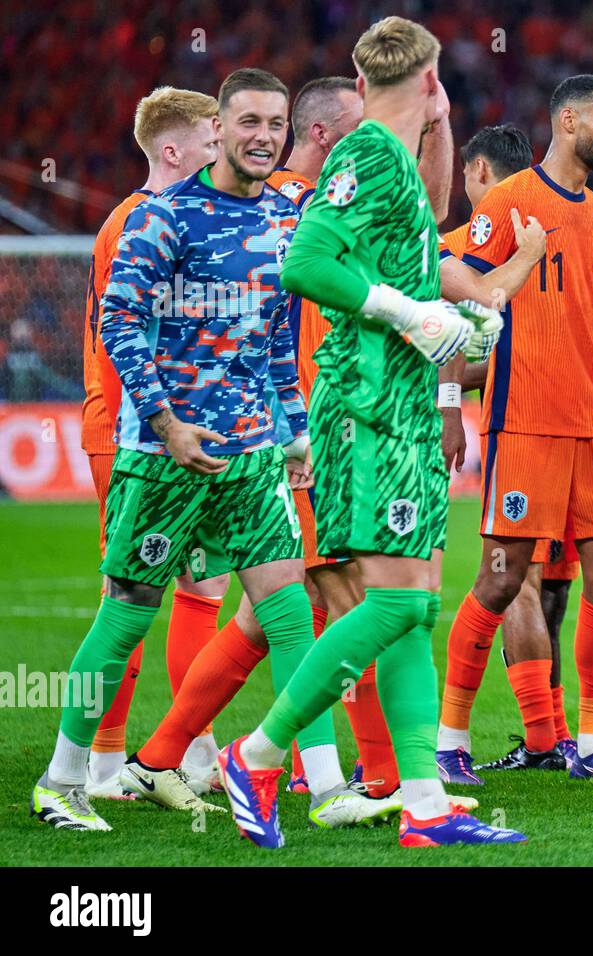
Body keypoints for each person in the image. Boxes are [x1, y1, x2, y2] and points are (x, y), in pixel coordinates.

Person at [221, 18, 532, 850]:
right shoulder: (365, 155)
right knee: (397, 600)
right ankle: (255, 754)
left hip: (398, 402)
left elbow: (409, 263)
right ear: (433, 84)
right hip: (365, 408)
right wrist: (407, 313)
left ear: (363, 85)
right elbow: (308, 262)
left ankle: (425, 804)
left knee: (416, 609)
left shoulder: (391, 161)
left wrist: (459, 321)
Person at [119, 77, 415, 829]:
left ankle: (162, 756)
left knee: (282, 612)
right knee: (344, 597)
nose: (373, 146)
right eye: (357, 134)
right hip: (262, 433)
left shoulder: (311, 211)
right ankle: (377, 773)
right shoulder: (273, 205)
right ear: (323, 140)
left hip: (297, 436)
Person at [31, 68, 318, 833]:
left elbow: (277, 342)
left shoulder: (283, 226)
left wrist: (294, 434)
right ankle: (64, 780)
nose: (264, 137)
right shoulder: (160, 218)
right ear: (218, 131)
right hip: (164, 455)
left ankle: (322, 789)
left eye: (276, 124)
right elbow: (118, 327)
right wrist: (164, 423)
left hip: (252, 454)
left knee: (289, 609)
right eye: (249, 122)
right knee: (127, 613)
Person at [437, 73, 593, 784]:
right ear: (566, 119)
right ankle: (449, 742)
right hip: (528, 421)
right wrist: (452, 396)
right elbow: (452, 274)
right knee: (501, 579)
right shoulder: (509, 201)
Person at [75, 86, 226, 801]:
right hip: (132, 431)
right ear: (173, 151)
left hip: (178, 430)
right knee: (129, 594)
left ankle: (193, 750)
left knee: (201, 586)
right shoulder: (138, 221)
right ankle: (101, 765)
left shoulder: (177, 217)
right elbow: (124, 337)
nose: (221, 149)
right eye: (211, 139)